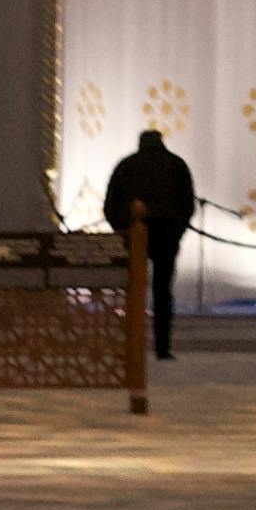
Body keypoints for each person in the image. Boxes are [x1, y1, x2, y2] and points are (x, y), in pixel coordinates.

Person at [102, 123, 198, 362]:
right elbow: (187, 204)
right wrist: (177, 231)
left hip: (135, 237)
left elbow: (110, 205)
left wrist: (123, 231)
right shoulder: (176, 165)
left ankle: (132, 345)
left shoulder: (126, 166)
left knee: (134, 292)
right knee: (163, 292)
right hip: (167, 235)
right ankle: (162, 348)